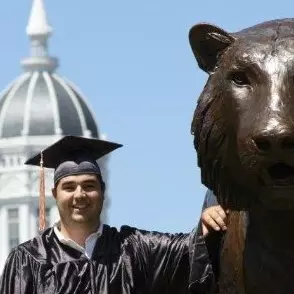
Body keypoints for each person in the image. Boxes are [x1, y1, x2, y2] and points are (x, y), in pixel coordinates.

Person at [0, 135, 220, 294]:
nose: (80, 195)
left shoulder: (134, 250)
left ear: (102, 192)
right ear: (54, 194)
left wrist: (207, 224)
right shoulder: (28, 260)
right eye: (69, 187)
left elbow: (186, 251)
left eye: (89, 185)